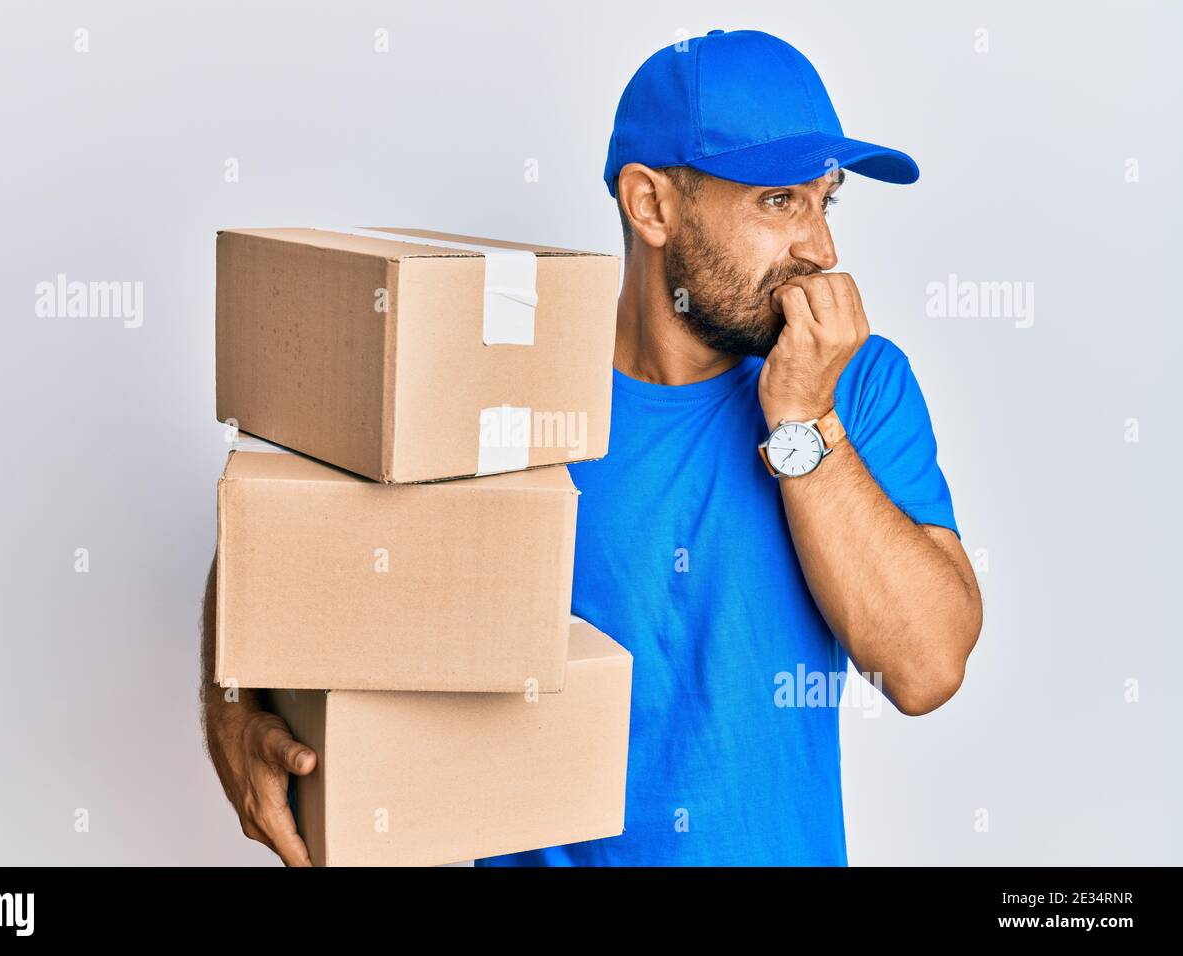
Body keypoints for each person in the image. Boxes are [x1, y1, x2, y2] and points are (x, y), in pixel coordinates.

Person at [201, 28, 982, 866]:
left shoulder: (857, 385)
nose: (822, 250)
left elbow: (925, 668)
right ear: (651, 205)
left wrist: (804, 423)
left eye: (826, 200)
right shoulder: (502, 392)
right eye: (777, 201)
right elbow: (281, 540)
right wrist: (234, 710)